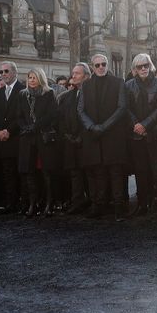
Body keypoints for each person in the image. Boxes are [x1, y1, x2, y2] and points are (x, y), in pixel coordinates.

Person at [78, 54, 129, 221]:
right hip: (93, 135)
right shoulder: (85, 85)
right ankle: (98, 206)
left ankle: (119, 208)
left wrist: (104, 126)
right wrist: (92, 127)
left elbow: (121, 107)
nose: (101, 67)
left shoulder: (118, 82)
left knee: (115, 172)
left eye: (103, 64)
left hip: (113, 135)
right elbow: (80, 110)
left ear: (108, 65)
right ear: (92, 67)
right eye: (97, 65)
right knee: (98, 172)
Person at [124, 53, 157, 217]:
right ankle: (142, 203)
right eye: (139, 66)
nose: (143, 69)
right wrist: (137, 125)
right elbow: (126, 108)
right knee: (140, 171)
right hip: (135, 135)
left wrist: (145, 125)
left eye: (146, 65)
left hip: (154, 134)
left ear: (151, 66)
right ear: (134, 69)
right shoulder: (128, 85)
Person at [15, 68, 58, 218]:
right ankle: (33, 203)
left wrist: (35, 126)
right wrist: (25, 127)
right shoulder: (22, 95)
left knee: (46, 172)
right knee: (29, 172)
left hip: (43, 137)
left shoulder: (48, 93)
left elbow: (52, 115)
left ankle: (48, 204)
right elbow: (19, 116)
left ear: (41, 79)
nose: (32, 80)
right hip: (27, 138)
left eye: (34, 77)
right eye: (29, 77)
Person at [0, 61, 25, 215]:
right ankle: (10, 203)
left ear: (14, 73)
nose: (3, 74)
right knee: (7, 173)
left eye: (6, 71)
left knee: (20, 173)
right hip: (2, 139)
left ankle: (22, 202)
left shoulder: (23, 90)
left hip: (16, 138)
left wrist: (9, 130)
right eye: (1, 72)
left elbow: (22, 115)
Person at [58, 62, 91, 215]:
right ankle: (78, 201)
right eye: (73, 73)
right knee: (75, 173)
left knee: (90, 173)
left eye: (77, 73)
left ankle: (94, 201)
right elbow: (62, 118)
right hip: (70, 140)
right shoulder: (68, 96)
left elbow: (92, 117)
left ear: (86, 76)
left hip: (87, 140)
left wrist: (82, 136)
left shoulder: (91, 93)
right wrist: (68, 135)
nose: (73, 76)